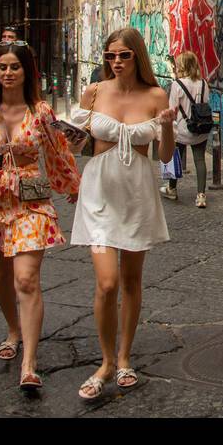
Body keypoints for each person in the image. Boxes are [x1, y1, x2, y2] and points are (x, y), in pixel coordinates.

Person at [0, 42, 80, 391]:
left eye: (15, 67)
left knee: (25, 279)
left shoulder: (41, 112)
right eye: (2, 67)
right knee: (2, 277)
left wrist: (72, 185)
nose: (8, 73)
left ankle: (30, 362)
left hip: (31, 200)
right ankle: (13, 330)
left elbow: (59, 152)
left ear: (27, 72)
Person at [69, 27, 174, 399]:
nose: (115, 61)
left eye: (123, 55)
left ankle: (125, 357)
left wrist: (166, 126)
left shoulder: (156, 95)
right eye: (110, 55)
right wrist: (71, 138)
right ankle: (106, 361)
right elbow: (77, 142)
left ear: (137, 57)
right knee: (107, 282)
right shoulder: (95, 92)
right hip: (99, 193)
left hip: (138, 194)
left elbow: (164, 156)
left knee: (131, 281)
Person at [161, 51, 211, 207]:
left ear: (182, 65)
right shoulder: (203, 83)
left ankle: (172, 189)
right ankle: (201, 196)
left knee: (174, 157)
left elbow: (172, 109)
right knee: (200, 159)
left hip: (182, 129)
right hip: (200, 128)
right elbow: (205, 103)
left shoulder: (177, 84)